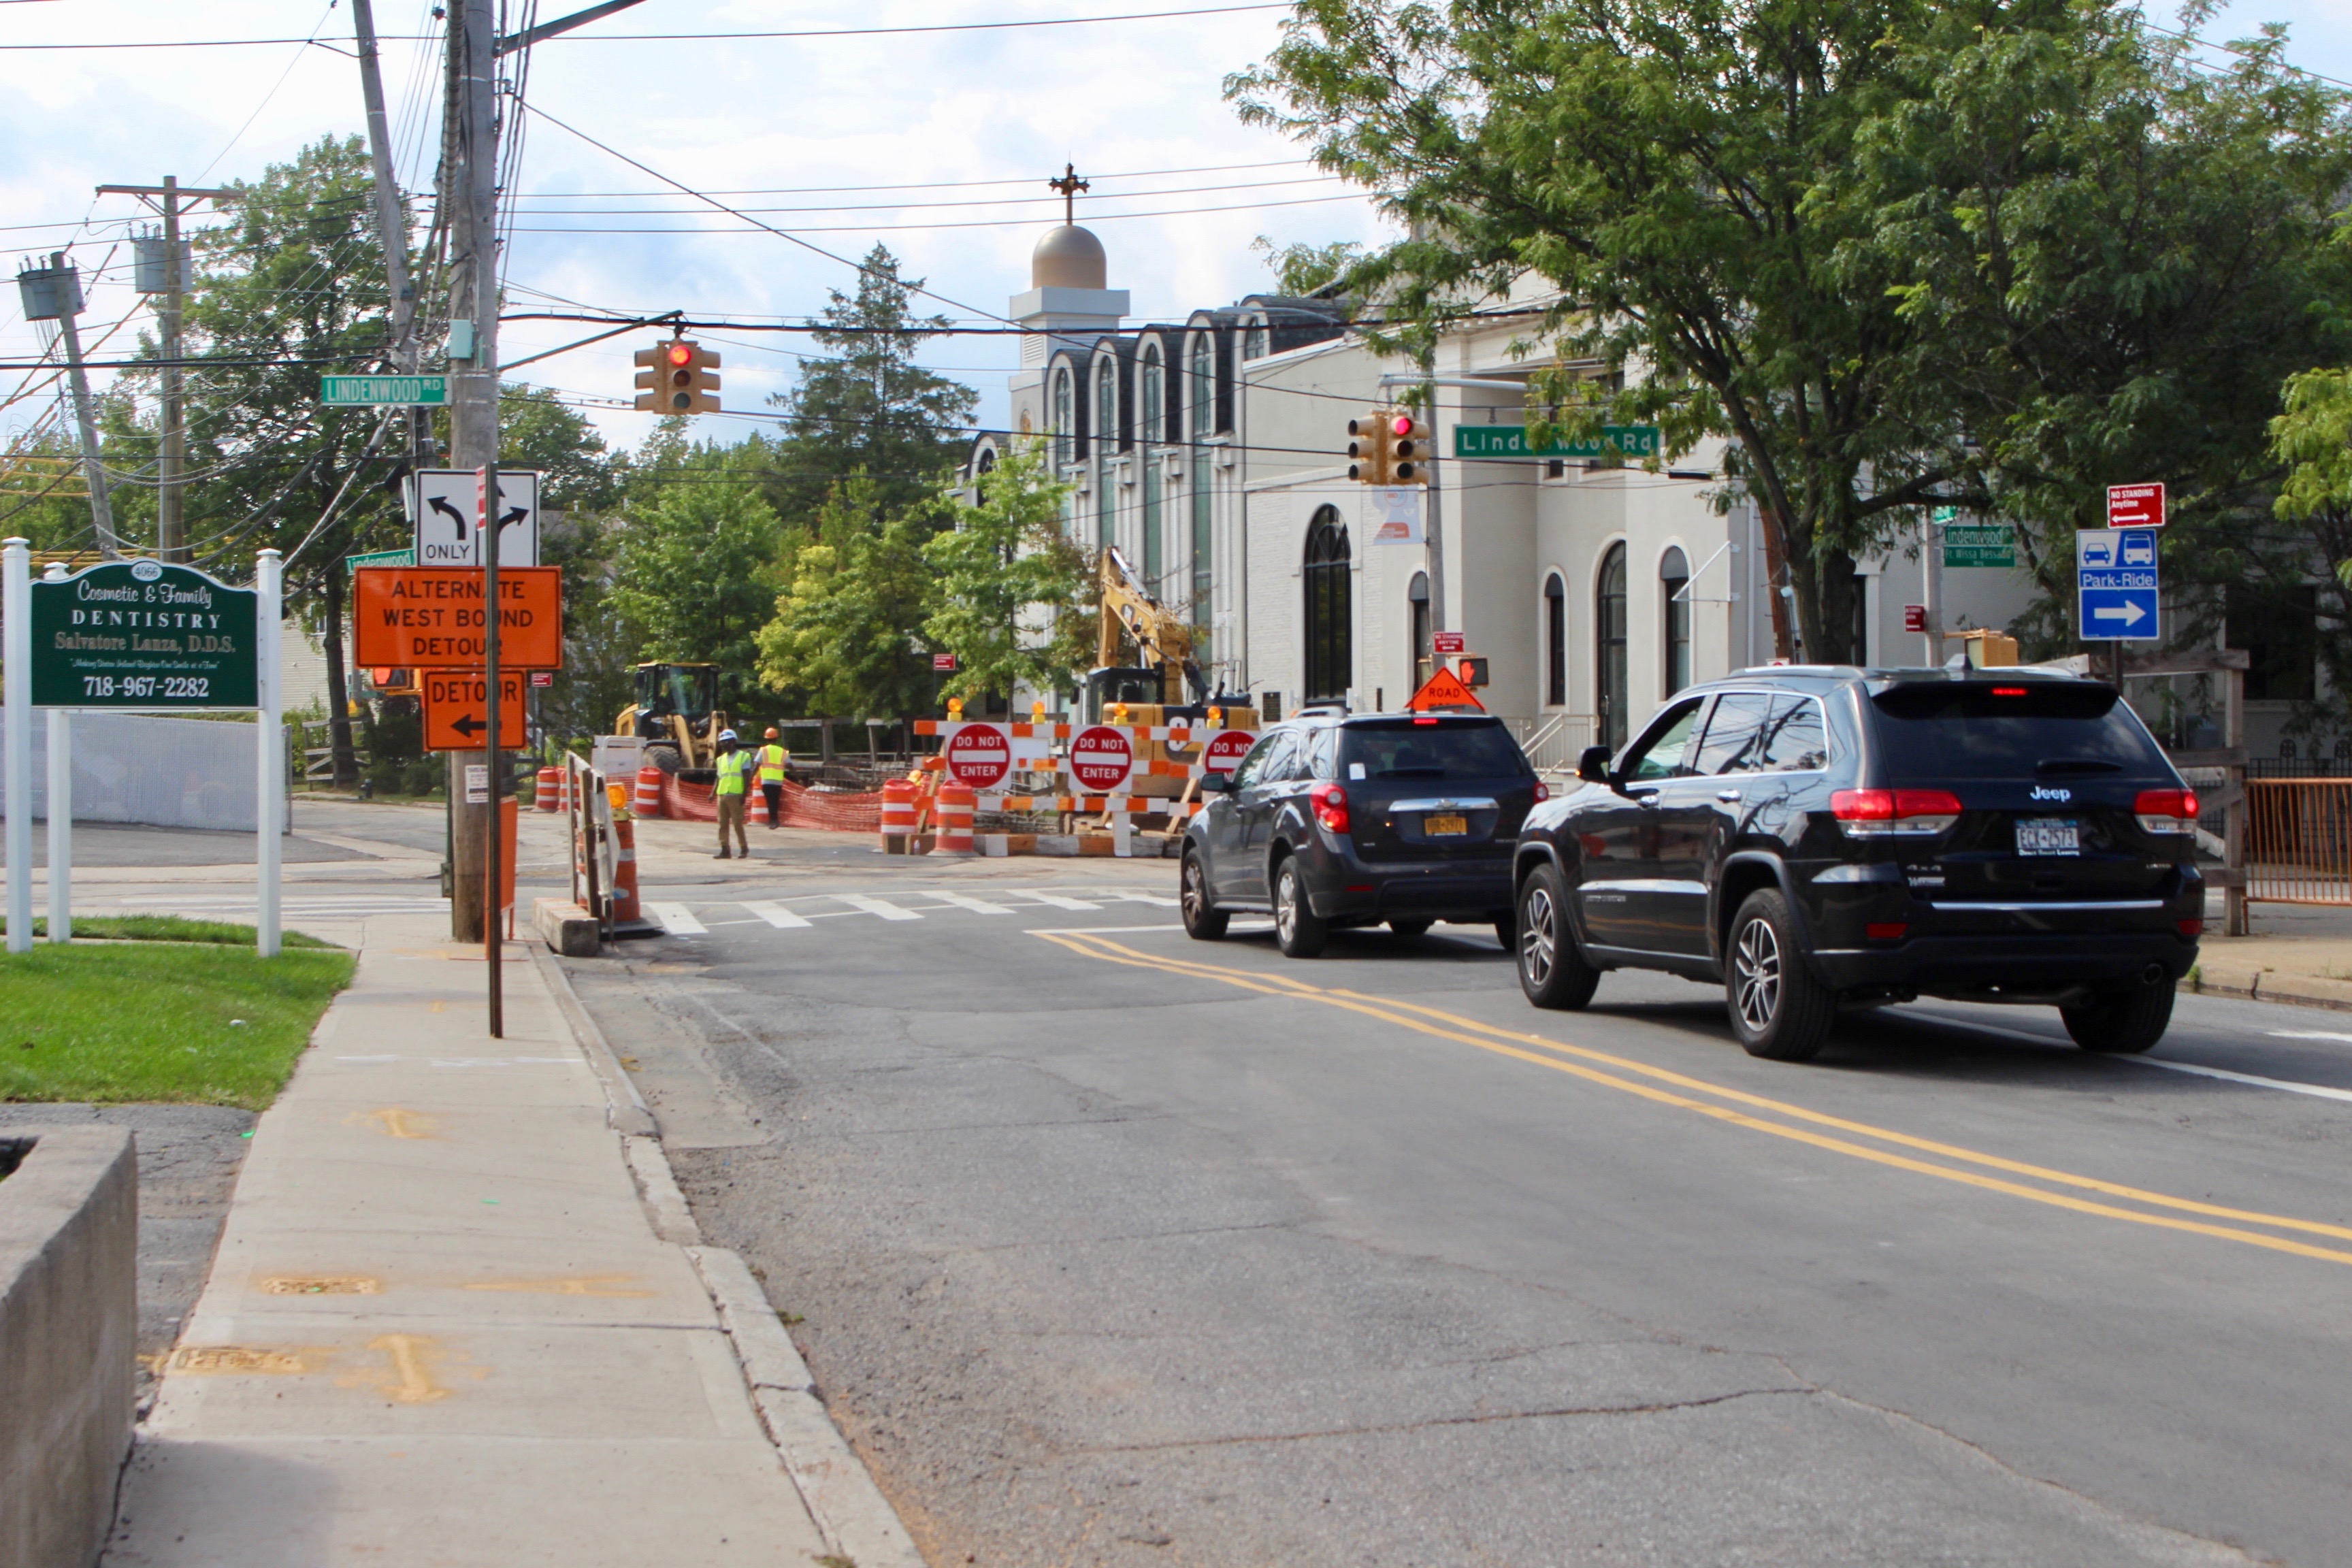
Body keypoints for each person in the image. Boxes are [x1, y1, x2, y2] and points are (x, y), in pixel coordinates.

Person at [712, 729, 753, 858]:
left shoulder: (743, 757)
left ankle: (743, 848)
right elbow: (719, 777)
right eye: (722, 742)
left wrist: (744, 795)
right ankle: (725, 849)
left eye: (726, 742)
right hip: (723, 794)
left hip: (736, 795)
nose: (723, 744)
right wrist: (713, 793)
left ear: (733, 742)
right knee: (722, 824)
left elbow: (747, 777)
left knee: (737, 824)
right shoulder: (720, 759)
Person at [756, 726, 791, 830]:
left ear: (766, 739)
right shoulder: (783, 751)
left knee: (770, 801)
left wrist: (750, 778)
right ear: (776, 738)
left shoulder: (763, 750)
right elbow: (790, 765)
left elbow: (756, 764)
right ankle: (775, 820)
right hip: (778, 782)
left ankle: (773, 821)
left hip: (766, 781)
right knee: (775, 801)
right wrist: (798, 777)